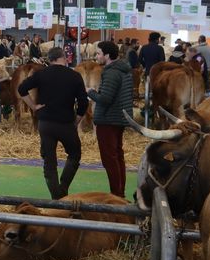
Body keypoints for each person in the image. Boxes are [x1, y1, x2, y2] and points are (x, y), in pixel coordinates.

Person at [18, 46, 89, 199]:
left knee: (49, 161)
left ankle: (56, 197)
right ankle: (63, 188)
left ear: (49, 59)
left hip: (46, 124)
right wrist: (77, 120)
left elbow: (22, 88)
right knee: (75, 155)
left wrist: (34, 106)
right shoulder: (74, 76)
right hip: (66, 123)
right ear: (63, 58)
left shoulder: (41, 74)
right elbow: (83, 102)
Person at [86, 41, 133, 198]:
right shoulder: (124, 69)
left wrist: (90, 92)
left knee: (109, 159)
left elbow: (105, 99)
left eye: (98, 53)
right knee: (117, 156)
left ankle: (116, 195)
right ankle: (120, 193)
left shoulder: (111, 72)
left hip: (108, 119)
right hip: (119, 118)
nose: (96, 56)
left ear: (107, 55)